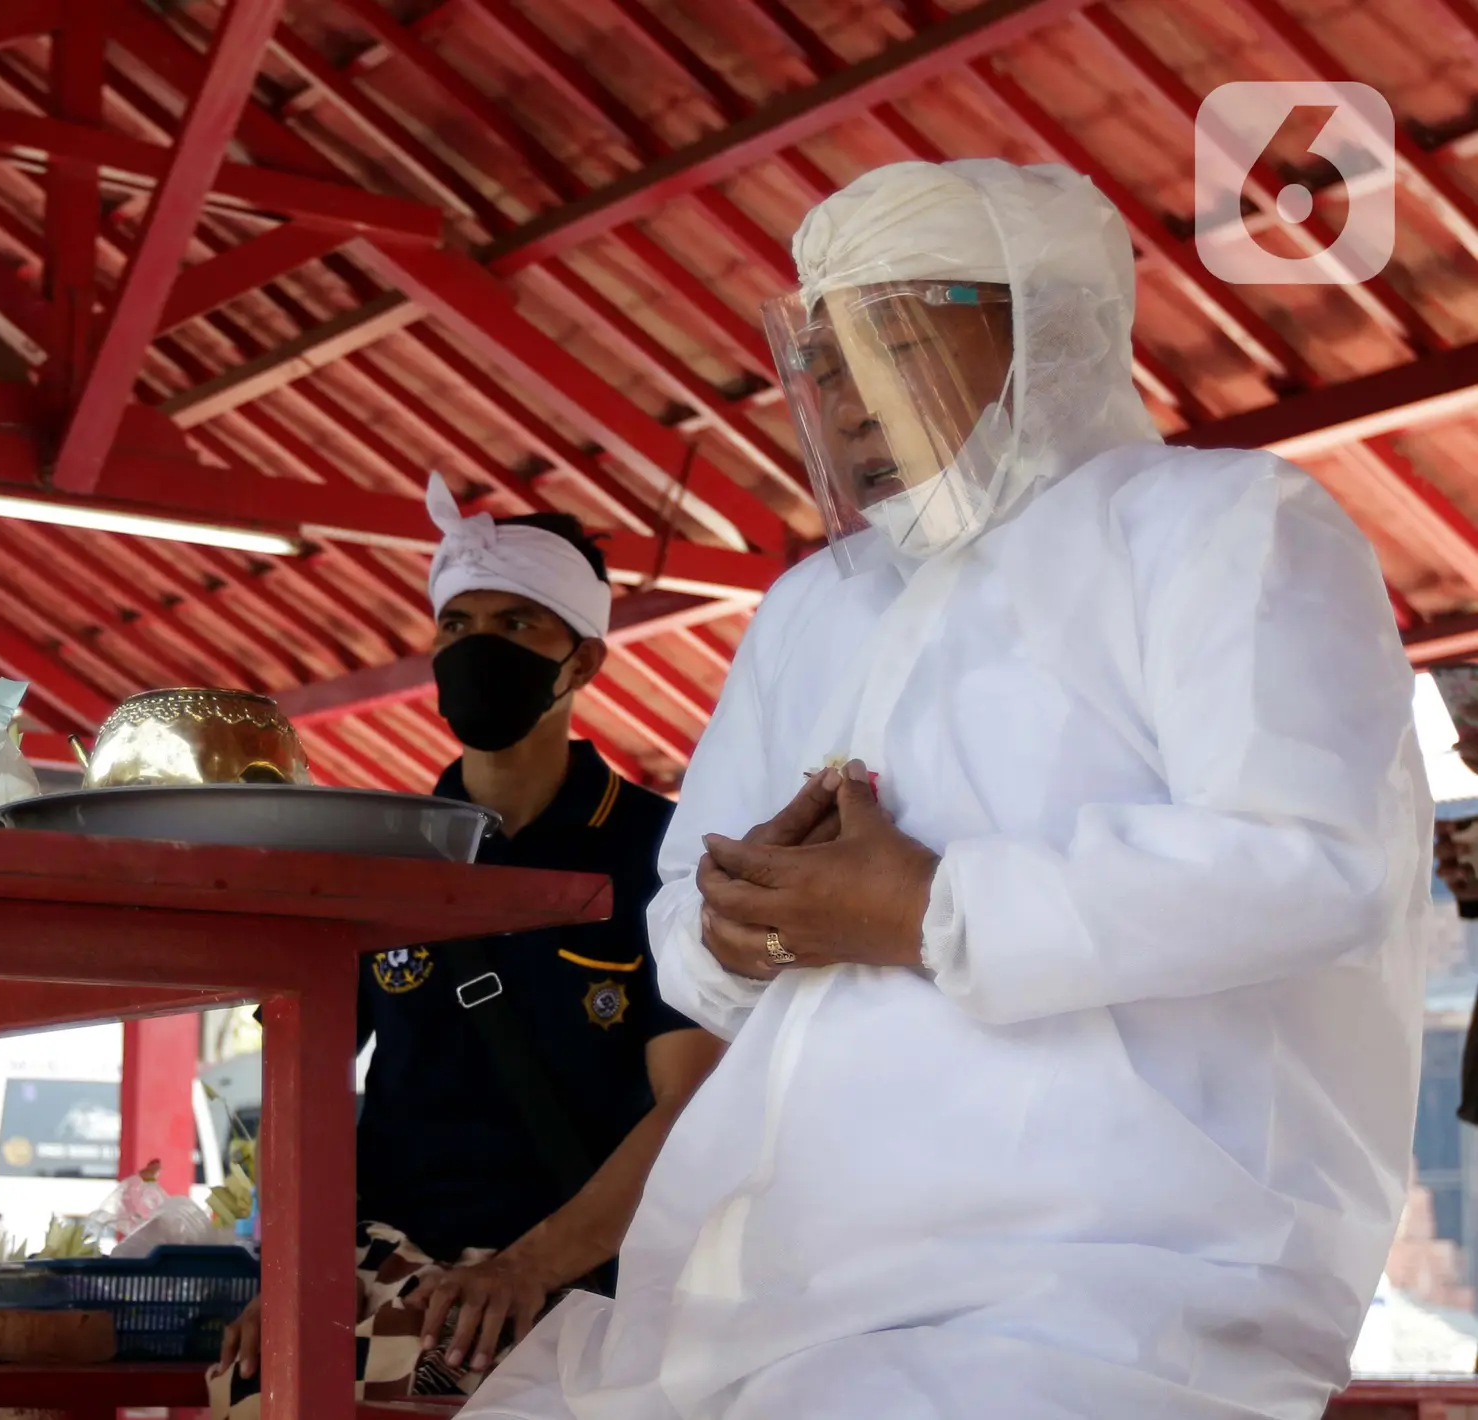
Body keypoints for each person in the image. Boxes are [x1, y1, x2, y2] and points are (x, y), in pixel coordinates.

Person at [466, 159, 1429, 1420]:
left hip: (1108, 1291)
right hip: (762, 1283)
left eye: (889, 333)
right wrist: (741, 922)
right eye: (816, 356)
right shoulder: (813, 608)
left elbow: (1314, 864)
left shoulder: (1219, 526)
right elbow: (681, 927)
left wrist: (929, 911)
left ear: (1041, 323)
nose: (843, 395)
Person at [209, 475, 724, 1414]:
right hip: (383, 1260)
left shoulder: (662, 851)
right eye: (458, 625)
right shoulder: (384, 851)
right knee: (253, 1386)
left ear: (583, 663)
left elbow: (690, 1106)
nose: (478, 647)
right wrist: (287, 1278)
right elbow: (304, 1077)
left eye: (518, 626)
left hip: (570, 1274)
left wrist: (530, 1268)